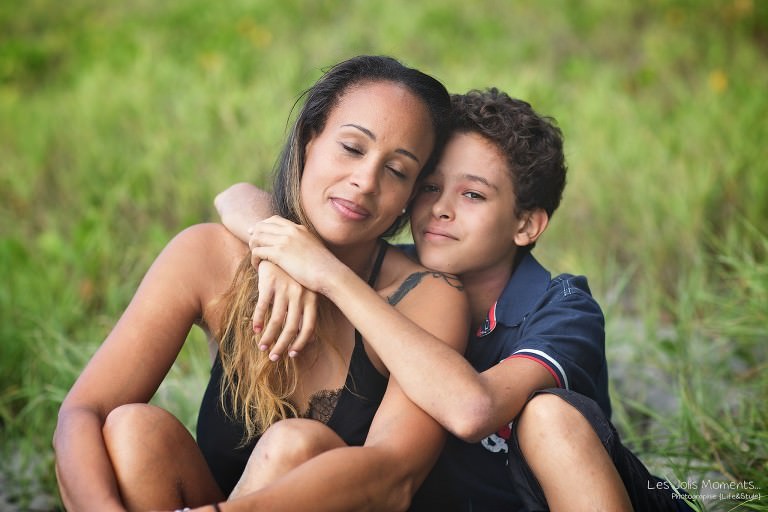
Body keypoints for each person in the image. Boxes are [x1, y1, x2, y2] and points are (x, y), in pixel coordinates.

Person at [217, 88, 694, 511]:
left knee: (548, 414)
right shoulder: (396, 276)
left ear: (526, 224)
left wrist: (328, 275)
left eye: (473, 195)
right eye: (429, 186)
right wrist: (280, 254)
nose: (440, 208)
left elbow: (475, 410)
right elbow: (236, 196)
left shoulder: (561, 307)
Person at [53, 55, 470, 512]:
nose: (365, 181)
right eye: (352, 148)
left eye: (397, 171)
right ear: (310, 140)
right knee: (133, 431)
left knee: (295, 443)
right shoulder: (210, 256)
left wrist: (323, 273)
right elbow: (82, 412)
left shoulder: (426, 296)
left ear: (411, 195)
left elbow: (393, 479)